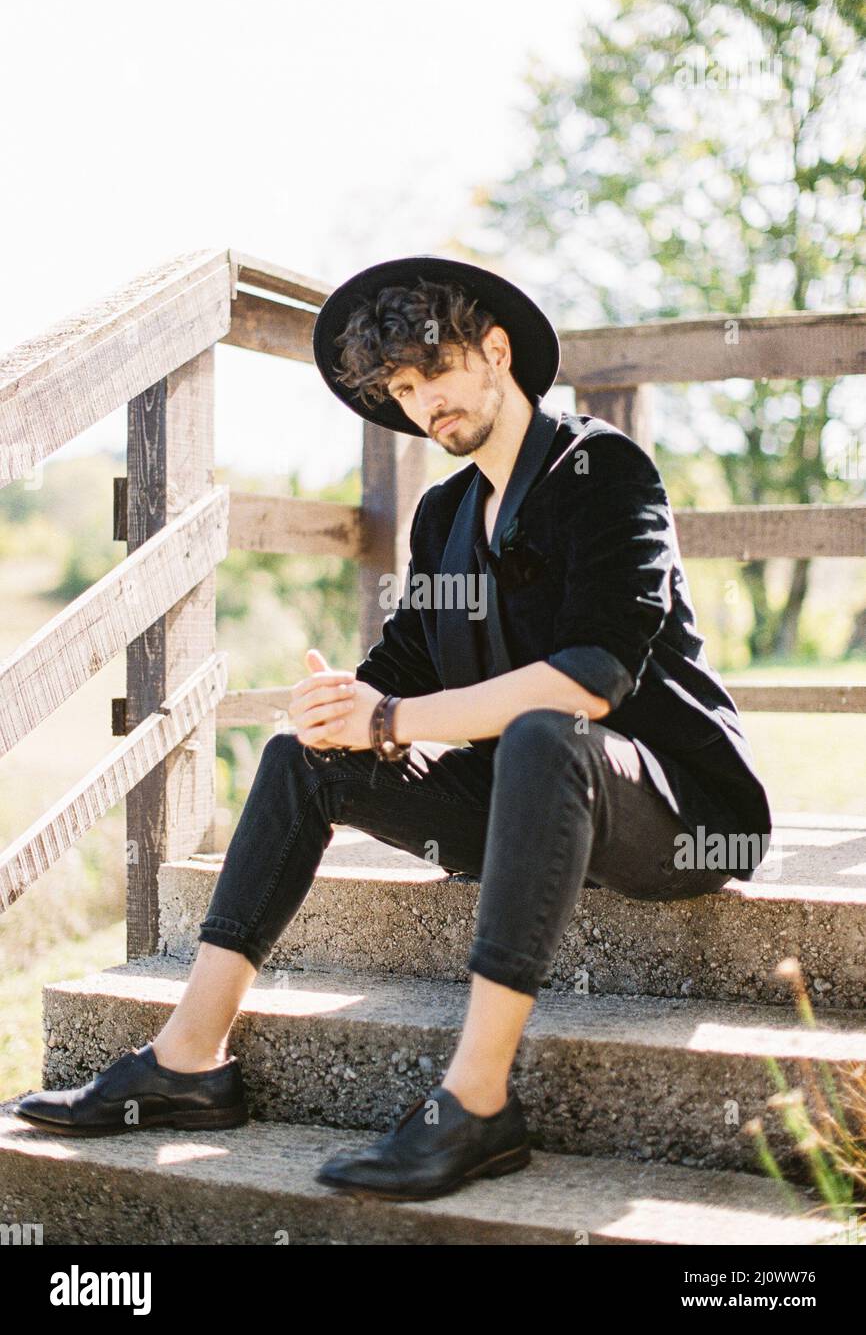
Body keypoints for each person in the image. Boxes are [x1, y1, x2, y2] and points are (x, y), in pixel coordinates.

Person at [14, 254, 772, 1205]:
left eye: (435, 375)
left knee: (544, 728)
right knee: (302, 756)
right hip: (520, 808)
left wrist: (395, 719)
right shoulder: (446, 512)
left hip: (665, 808)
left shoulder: (603, 469)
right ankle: (190, 1060)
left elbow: (593, 677)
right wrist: (348, 706)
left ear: (496, 351)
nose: (424, 408)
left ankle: (477, 1104)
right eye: (404, 391)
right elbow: (406, 661)